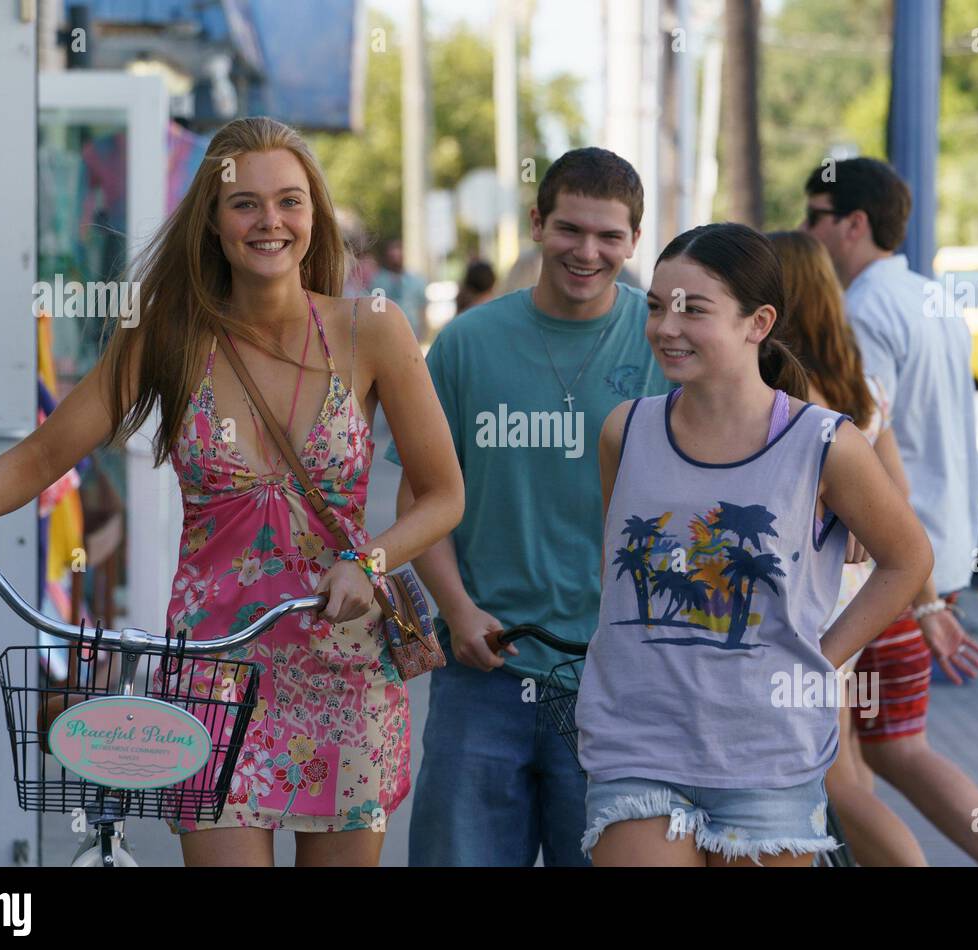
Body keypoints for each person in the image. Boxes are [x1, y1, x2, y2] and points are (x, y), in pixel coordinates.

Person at [0, 116, 465, 867]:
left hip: (344, 671)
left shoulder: (372, 332)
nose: (270, 222)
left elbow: (443, 494)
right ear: (212, 222)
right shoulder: (168, 335)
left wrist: (372, 562)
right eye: (245, 204)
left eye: (290, 202)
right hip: (212, 674)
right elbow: (47, 450)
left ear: (315, 216)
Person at [574, 222, 934, 867]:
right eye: (656, 306)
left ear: (758, 322)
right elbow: (619, 568)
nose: (666, 327)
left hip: (767, 753)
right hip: (636, 741)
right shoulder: (623, 431)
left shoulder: (825, 443)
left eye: (693, 309)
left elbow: (908, 559)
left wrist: (824, 660)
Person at [386, 147, 669, 866]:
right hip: (484, 670)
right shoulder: (468, 344)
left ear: (634, 241)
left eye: (610, 236)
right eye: (571, 229)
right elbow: (418, 498)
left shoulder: (666, 347)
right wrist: (456, 612)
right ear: (537, 223)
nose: (588, 251)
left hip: (614, 681)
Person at [801, 158, 978, 865]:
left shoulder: (863, 314)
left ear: (854, 223)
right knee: (866, 756)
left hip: (888, 565)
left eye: (814, 216)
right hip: (934, 553)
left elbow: (863, 440)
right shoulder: (933, 301)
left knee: (879, 755)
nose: (806, 232)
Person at [370, 237, 428, 338]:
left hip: (412, 333)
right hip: (387, 335)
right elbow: (376, 312)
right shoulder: (378, 282)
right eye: (392, 252)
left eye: (398, 251)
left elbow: (422, 308)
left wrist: (423, 331)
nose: (395, 255)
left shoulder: (416, 280)